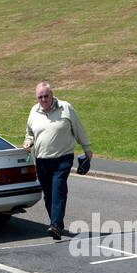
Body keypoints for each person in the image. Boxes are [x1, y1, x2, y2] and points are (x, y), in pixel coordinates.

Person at [23, 81, 92, 239]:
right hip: (41, 159)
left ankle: (54, 225)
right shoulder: (34, 111)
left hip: (63, 158)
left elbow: (78, 129)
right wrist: (28, 142)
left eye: (46, 96)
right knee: (48, 194)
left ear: (52, 95)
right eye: (40, 97)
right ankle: (57, 224)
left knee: (58, 189)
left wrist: (87, 148)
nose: (43, 100)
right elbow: (29, 133)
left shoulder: (66, 108)